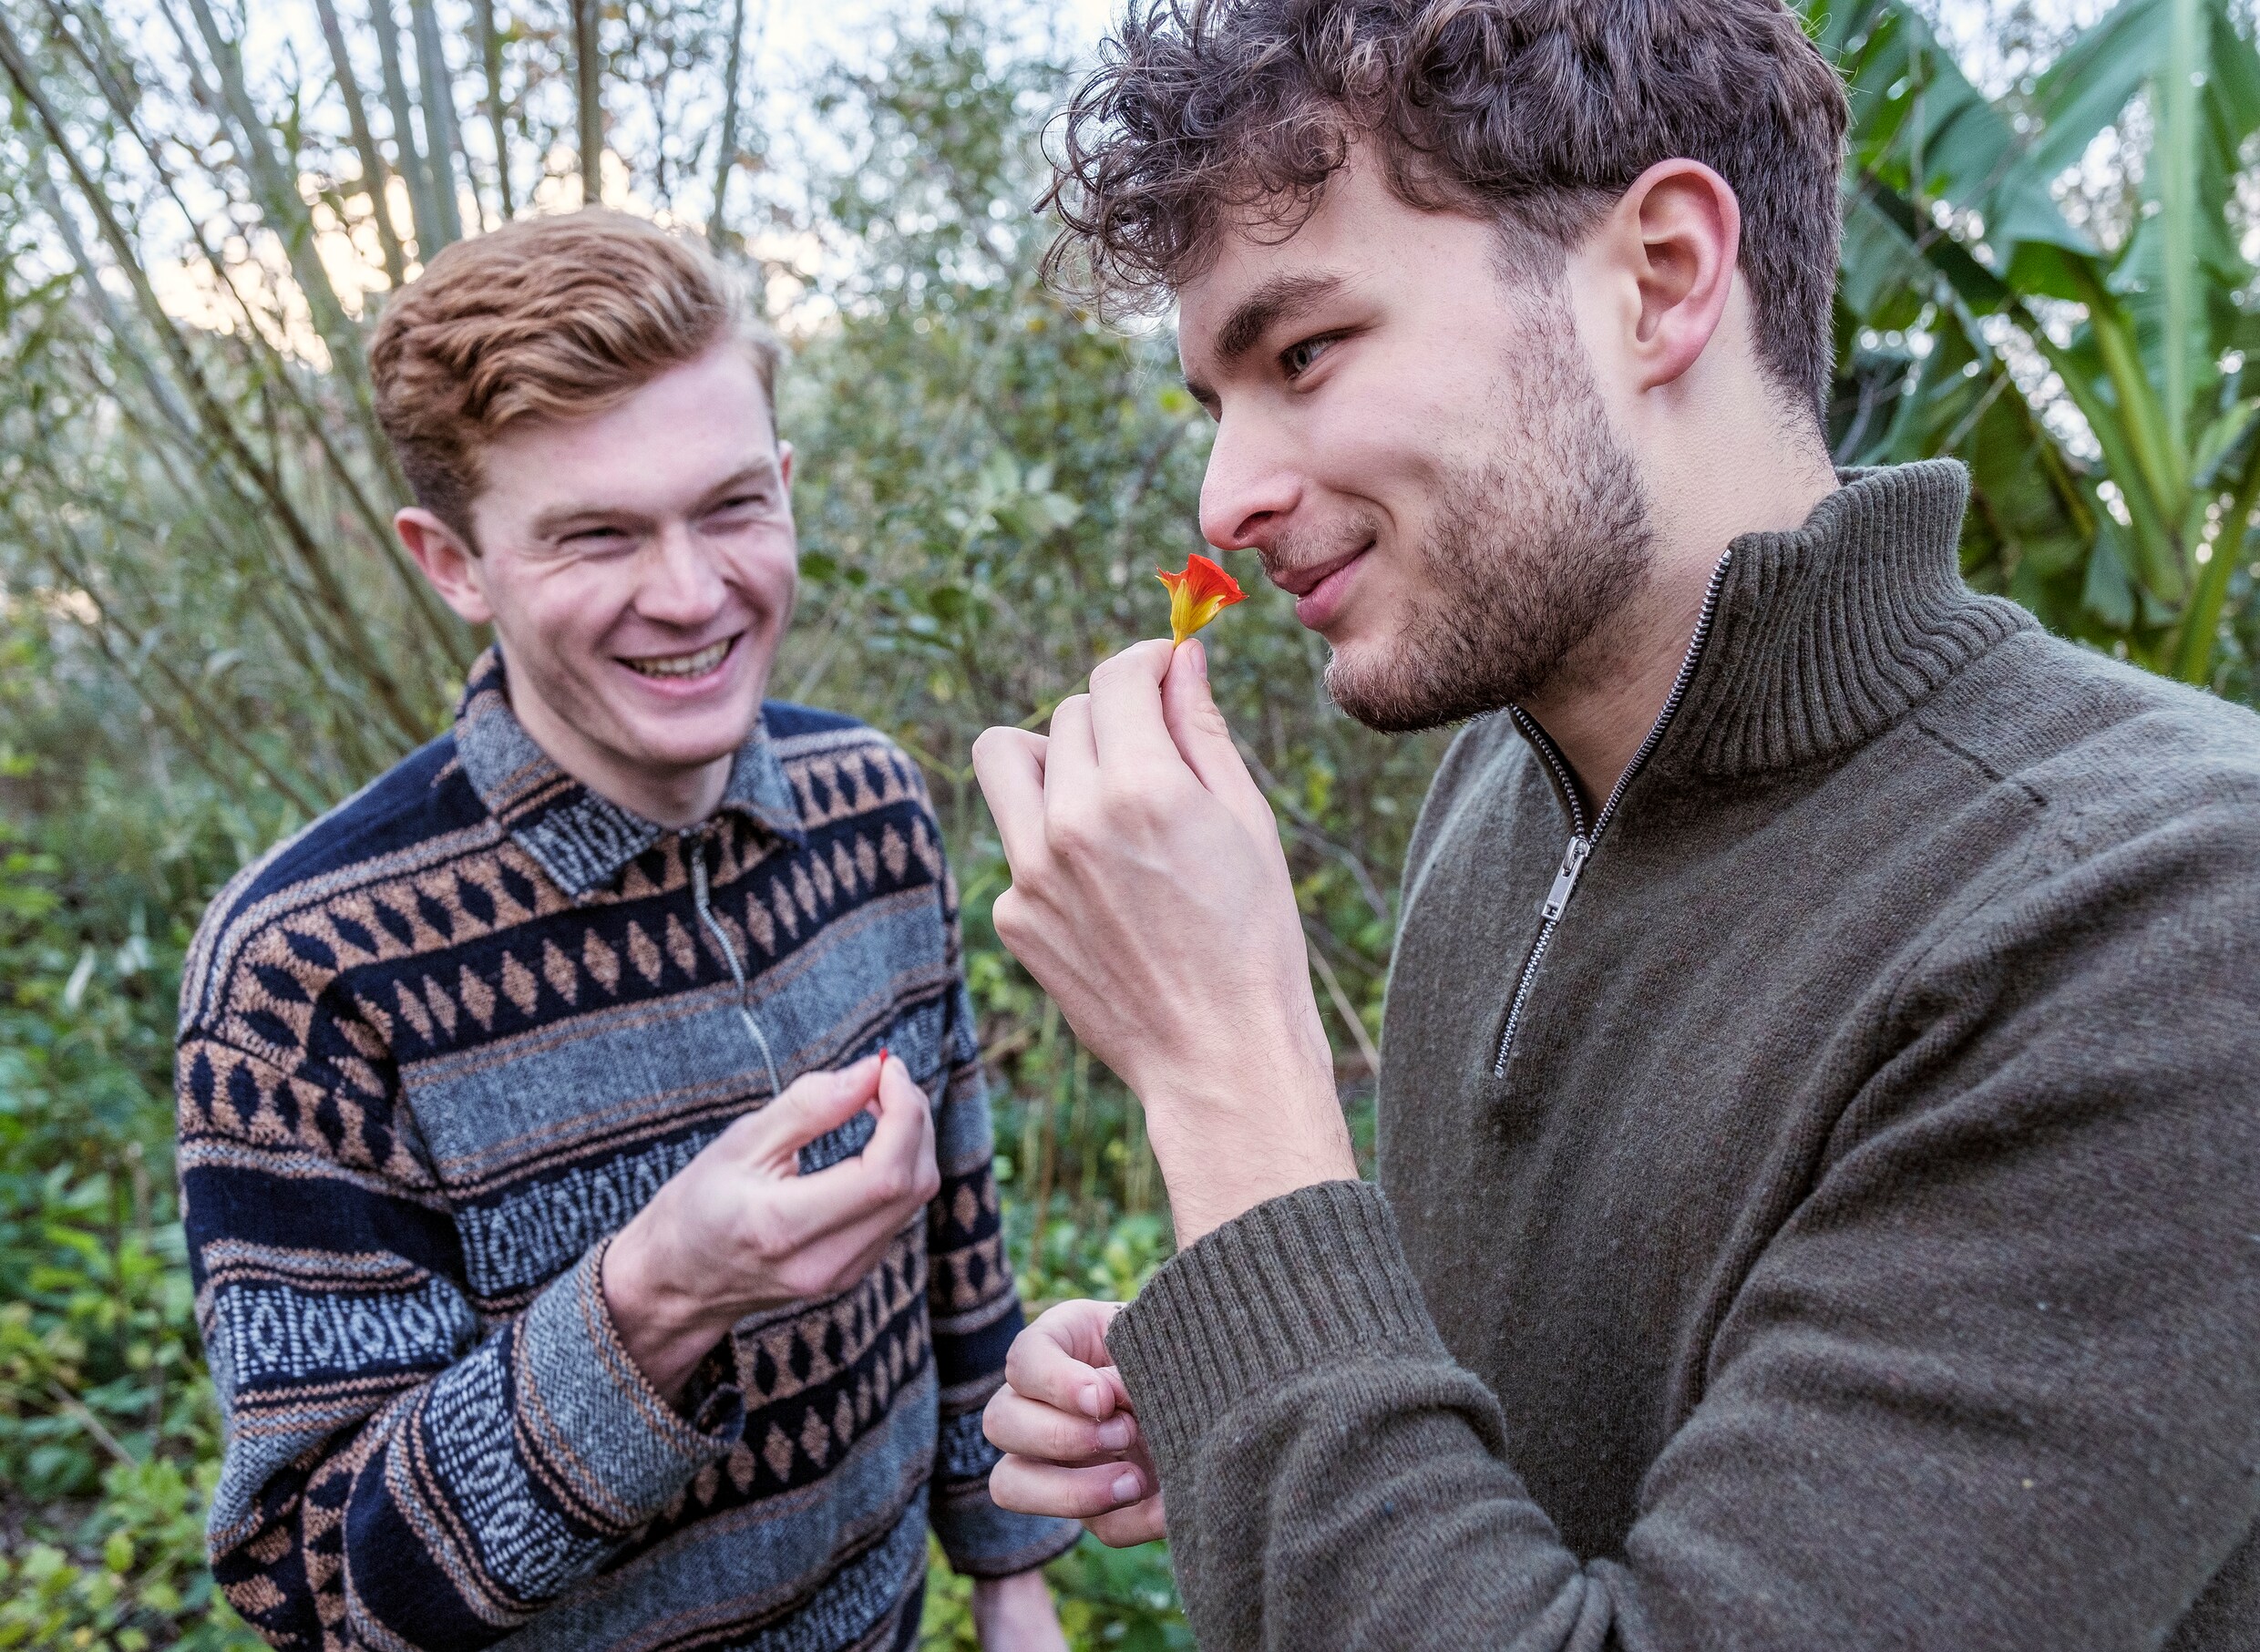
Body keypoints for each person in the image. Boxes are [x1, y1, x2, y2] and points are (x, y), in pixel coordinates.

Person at [969, 2, 2260, 1647]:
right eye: (1215, 401)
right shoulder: (1496, 790)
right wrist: (1257, 1378)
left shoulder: (2166, 918)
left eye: (1302, 354)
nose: (1224, 500)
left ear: (1658, 276)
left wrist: (1225, 1075)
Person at [177, 210, 1074, 1651]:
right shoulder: (301, 968)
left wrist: (1013, 1576)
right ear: (452, 561)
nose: (689, 591)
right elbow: (320, 1583)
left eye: (730, 507)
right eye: (597, 533)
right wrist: (654, 1297)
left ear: (784, 485)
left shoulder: (876, 806)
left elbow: (956, 1227)